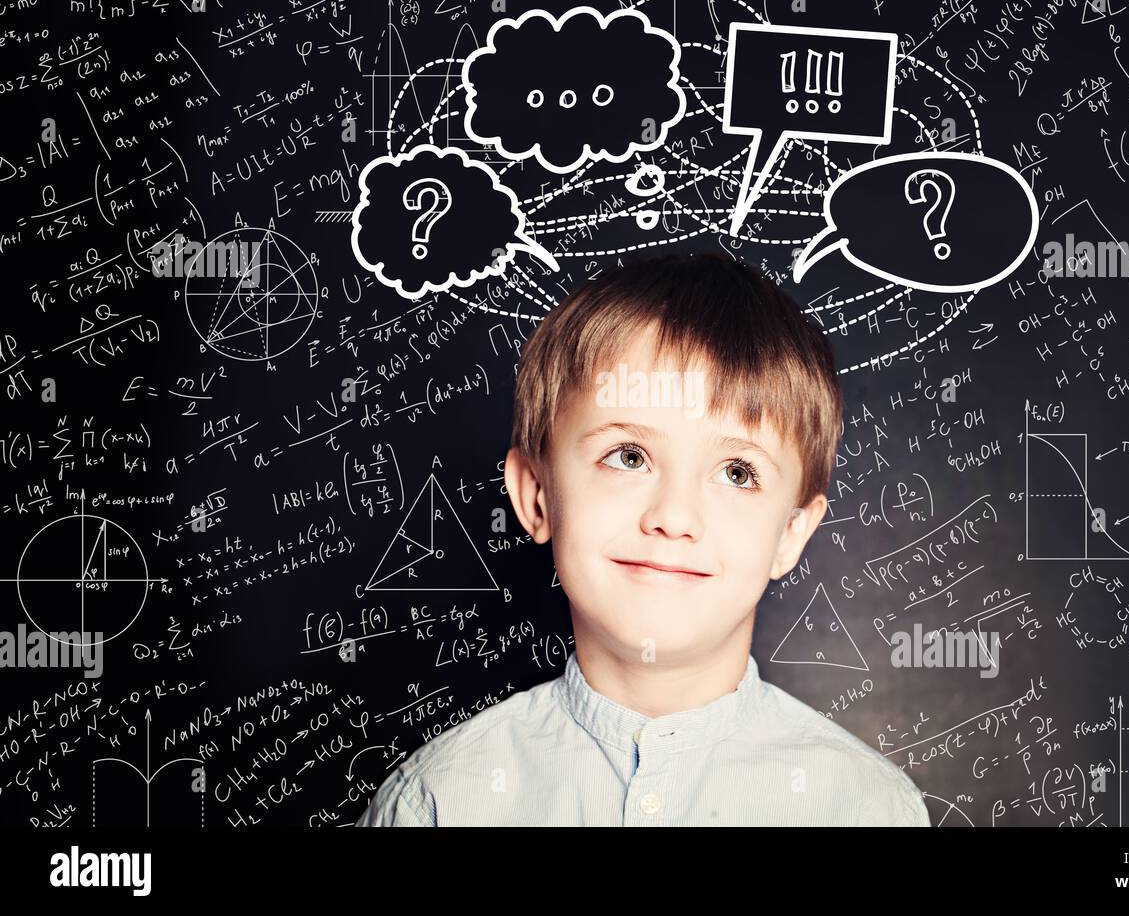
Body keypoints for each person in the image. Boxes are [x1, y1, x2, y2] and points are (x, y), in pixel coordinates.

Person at [356, 253, 929, 826]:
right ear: (535, 496)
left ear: (790, 534)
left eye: (737, 472)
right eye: (629, 457)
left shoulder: (869, 809)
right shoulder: (436, 802)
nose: (674, 517)